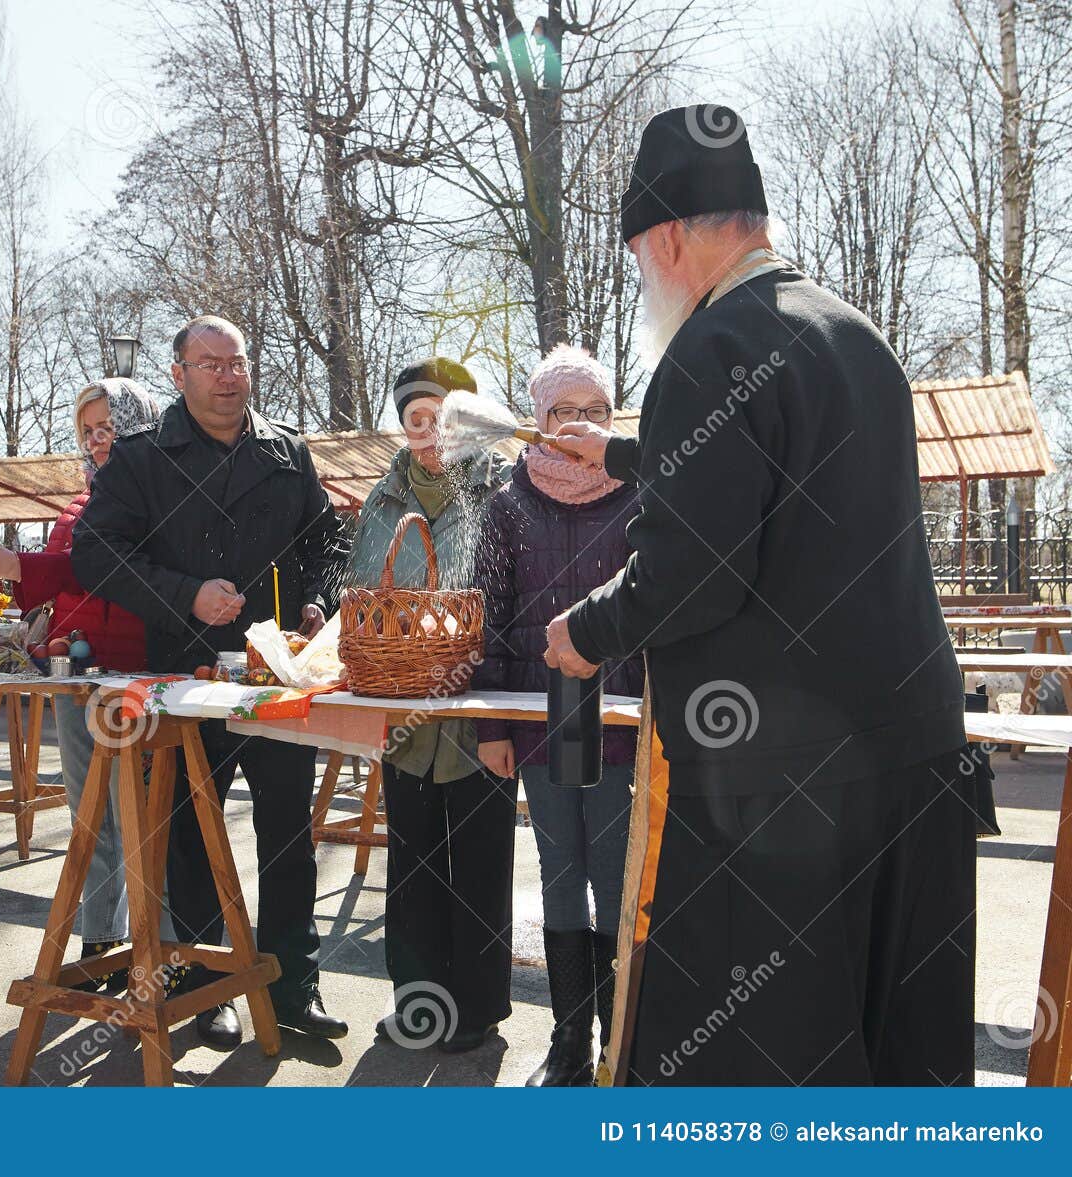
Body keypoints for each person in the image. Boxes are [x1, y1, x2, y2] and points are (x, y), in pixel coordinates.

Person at [543, 105, 971, 1086]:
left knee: (760, 1078)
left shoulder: (707, 346)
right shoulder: (848, 330)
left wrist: (584, 630)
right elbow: (782, 476)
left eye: (639, 260)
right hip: (914, 762)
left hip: (788, 798)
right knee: (898, 1061)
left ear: (665, 237)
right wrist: (615, 453)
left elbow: (692, 573)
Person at [73, 315, 351, 1046]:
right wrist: (184, 592)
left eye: (238, 362)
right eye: (211, 363)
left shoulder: (287, 451)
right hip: (185, 675)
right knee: (191, 834)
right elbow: (95, 550)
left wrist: (321, 599)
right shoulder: (140, 458)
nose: (229, 376)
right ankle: (206, 986)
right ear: (179, 374)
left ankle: (295, 983)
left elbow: (329, 540)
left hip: (277, 678)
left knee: (288, 831)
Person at [472, 345, 641, 1085]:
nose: (580, 426)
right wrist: (491, 726)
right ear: (539, 421)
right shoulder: (506, 504)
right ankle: (569, 1037)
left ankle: (618, 1038)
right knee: (560, 875)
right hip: (539, 722)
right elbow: (489, 618)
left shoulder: (644, 494)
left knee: (617, 874)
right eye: (565, 412)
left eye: (595, 412)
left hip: (620, 722)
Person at [0, 378, 159, 988]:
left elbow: (101, 569)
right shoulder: (75, 507)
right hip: (77, 676)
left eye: (110, 427)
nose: (98, 442)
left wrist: (16, 564)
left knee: (146, 817)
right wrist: (41, 630)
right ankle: (101, 939)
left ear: (140, 427)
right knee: (88, 812)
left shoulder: (159, 498)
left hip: (140, 676)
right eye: (88, 431)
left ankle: (159, 951)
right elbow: (66, 586)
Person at [348, 358, 513, 1054]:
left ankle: (475, 1009)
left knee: (480, 857)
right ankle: (419, 1006)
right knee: (413, 861)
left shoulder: (500, 487)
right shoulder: (383, 499)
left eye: (444, 414)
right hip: (405, 703)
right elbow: (359, 586)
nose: (431, 430)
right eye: (418, 416)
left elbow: (518, 589)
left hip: (481, 706)